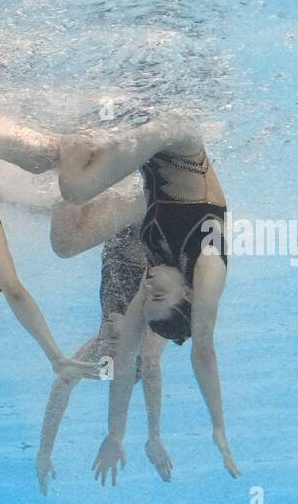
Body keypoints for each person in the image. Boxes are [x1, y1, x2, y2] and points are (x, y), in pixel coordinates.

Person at [54, 115, 240, 482]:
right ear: (188, 294)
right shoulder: (207, 262)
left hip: (151, 151)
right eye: (158, 294)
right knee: (75, 189)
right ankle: (72, 127)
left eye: (148, 296)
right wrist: (218, 427)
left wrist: (116, 433)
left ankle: (80, 124)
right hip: (177, 137)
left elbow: (125, 358)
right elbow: (203, 349)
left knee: (76, 188)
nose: (147, 285)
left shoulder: (158, 275)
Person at [38, 209, 170, 495]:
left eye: (106, 346)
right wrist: (153, 436)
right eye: (115, 344)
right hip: (148, 226)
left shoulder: (102, 347)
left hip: (115, 229)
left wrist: (44, 452)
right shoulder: (151, 332)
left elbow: (63, 384)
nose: (106, 342)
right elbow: (150, 366)